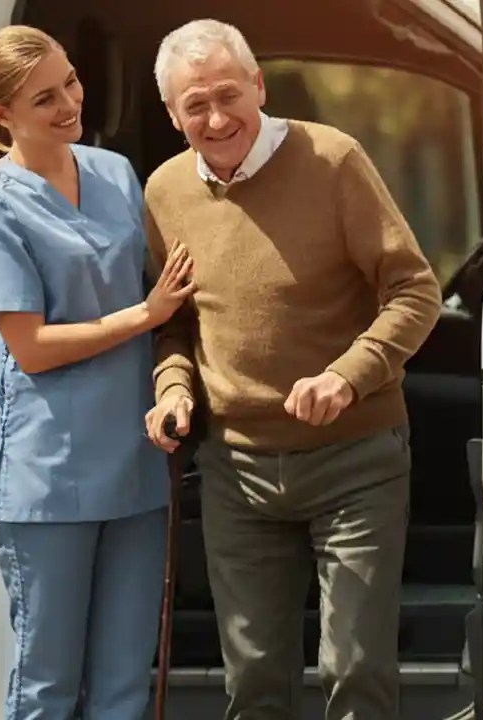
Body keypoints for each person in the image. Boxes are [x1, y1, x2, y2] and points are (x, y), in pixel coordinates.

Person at [142, 18, 443, 720]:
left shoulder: (333, 159)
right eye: (196, 104)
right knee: (251, 684)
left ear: (258, 86)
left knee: (356, 671)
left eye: (228, 94)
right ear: (171, 114)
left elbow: (415, 290)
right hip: (236, 473)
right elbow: (176, 325)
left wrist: (347, 375)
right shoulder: (163, 193)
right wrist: (174, 391)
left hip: (355, 461)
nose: (217, 118)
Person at [0, 25, 196, 720]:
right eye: (45, 99)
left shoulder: (114, 173)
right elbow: (30, 348)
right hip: (49, 481)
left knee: (125, 689)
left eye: (70, 81)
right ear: (2, 116)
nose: (69, 103)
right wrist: (145, 315)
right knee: (47, 690)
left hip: (134, 468)